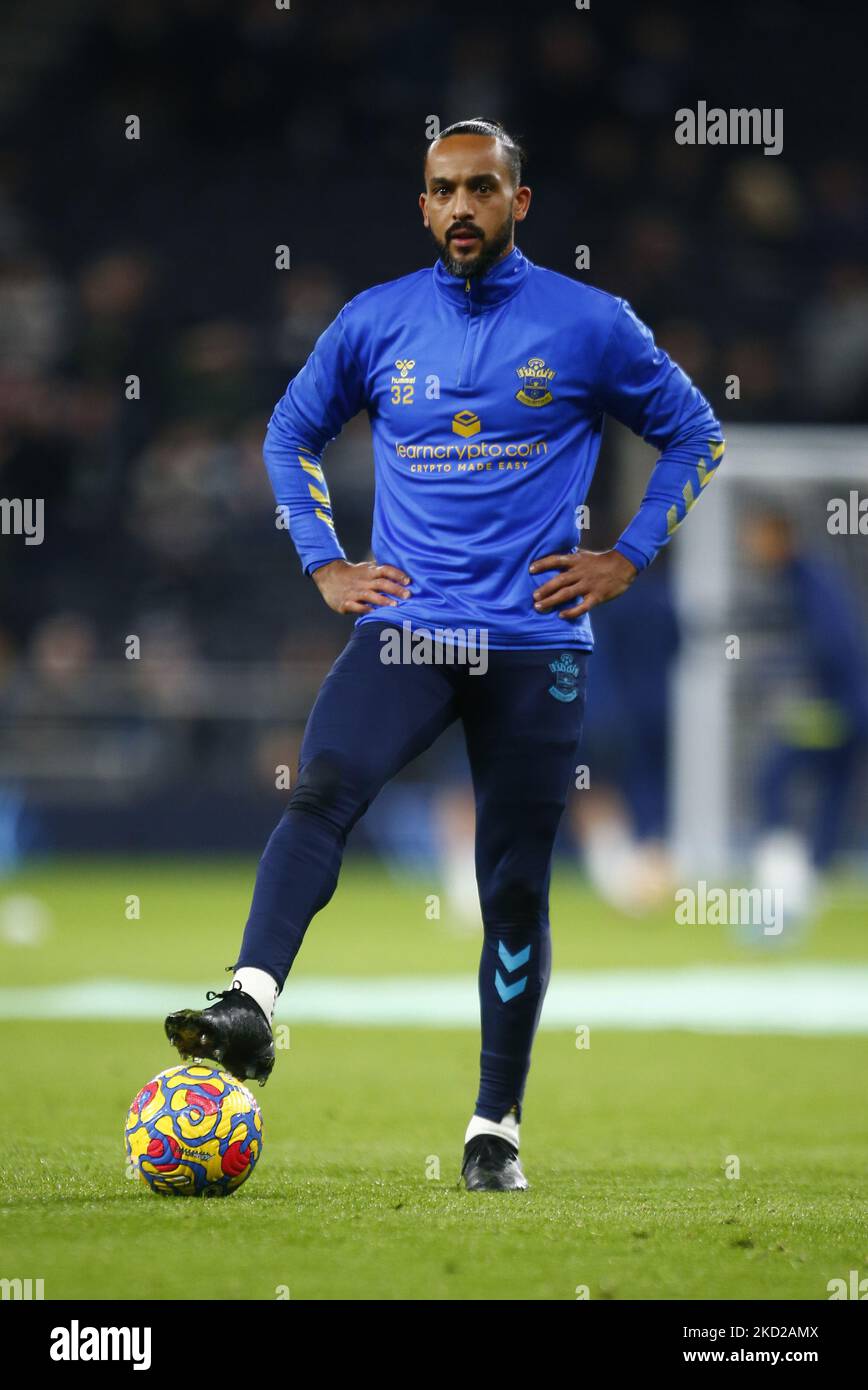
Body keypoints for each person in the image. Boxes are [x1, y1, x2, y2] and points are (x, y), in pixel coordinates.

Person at [165, 119, 724, 1191]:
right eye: (441, 190)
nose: (460, 206)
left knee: (513, 888)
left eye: (480, 188)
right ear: (421, 207)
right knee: (322, 789)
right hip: (408, 630)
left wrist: (629, 555)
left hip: (535, 644)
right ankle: (248, 1002)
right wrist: (328, 564)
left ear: (521, 201)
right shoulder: (374, 322)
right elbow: (287, 433)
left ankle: (493, 1130)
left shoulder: (592, 324)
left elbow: (697, 432)